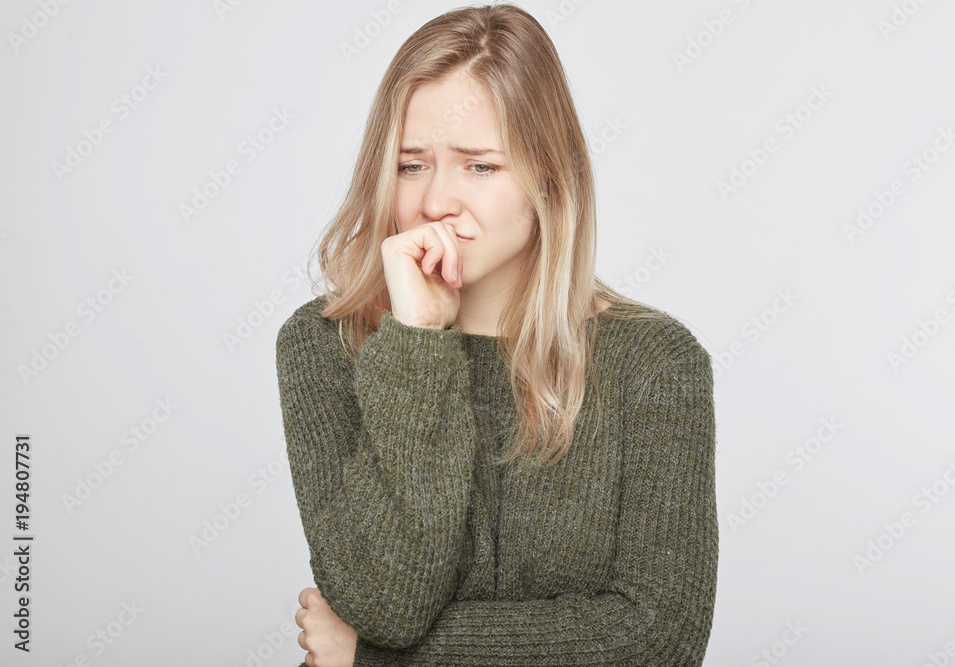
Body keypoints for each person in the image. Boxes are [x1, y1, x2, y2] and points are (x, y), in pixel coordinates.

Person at [274, 3, 719, 665]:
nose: (435, 203)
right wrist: (416, 339)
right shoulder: (323, 345)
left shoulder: (655, 362)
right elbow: (384, 600)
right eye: (410, 165)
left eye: (479, 166)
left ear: (547, 175)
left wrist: (372, 657)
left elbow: (656, 639)